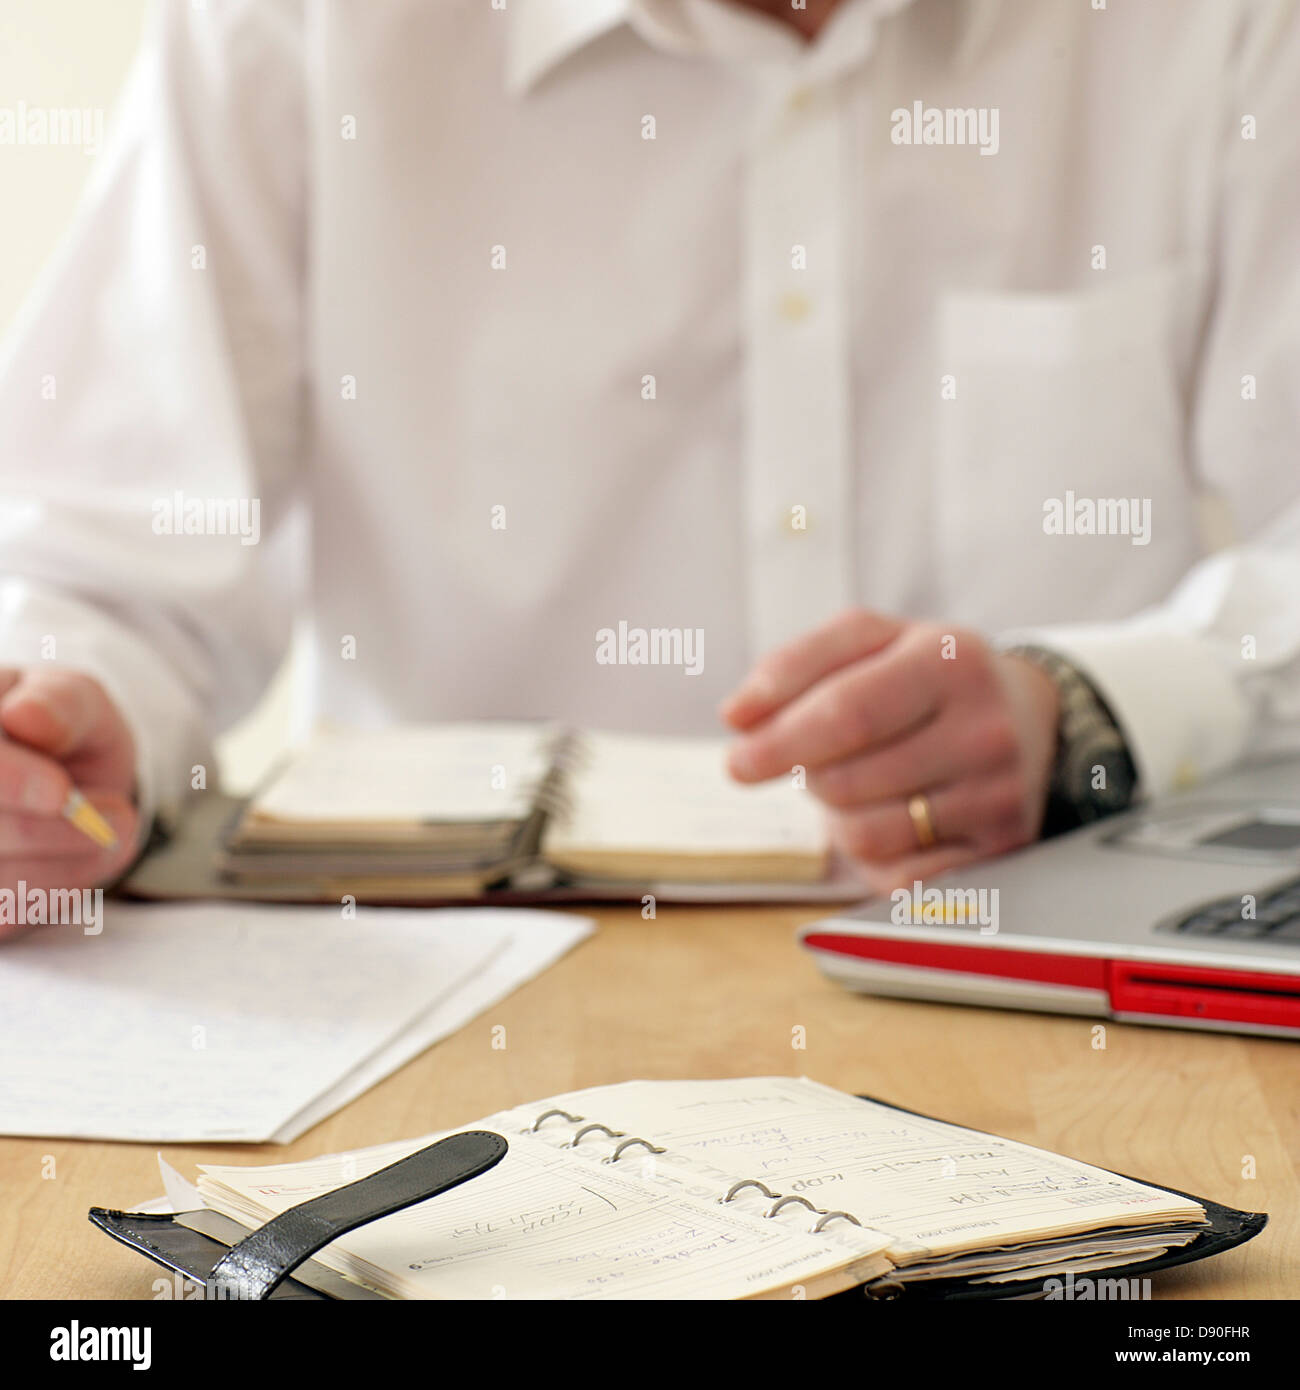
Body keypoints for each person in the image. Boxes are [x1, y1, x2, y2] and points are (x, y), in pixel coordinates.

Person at [0, 0, 1297, 936]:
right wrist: (68, 739)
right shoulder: (286, 29)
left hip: (1043, 959)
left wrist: (1084, 710)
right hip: (437, 997)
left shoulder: (1221, 28)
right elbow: (104, 578)